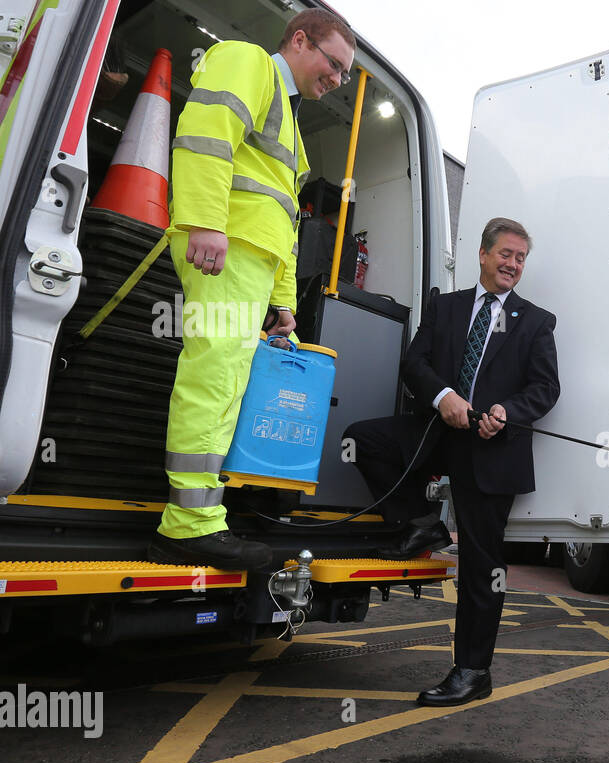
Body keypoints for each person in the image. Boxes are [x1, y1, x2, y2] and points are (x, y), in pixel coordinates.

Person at [147, 10, 356, 571]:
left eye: (344, 74)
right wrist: (204, 220)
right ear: (298, 39)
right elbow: (204, 138)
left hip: (251, 262)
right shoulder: (247, 62)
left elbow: (286, 225)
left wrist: (284, 302)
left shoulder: (292, 130)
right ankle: (188, 525)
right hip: (226, 248)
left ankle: (199, 516)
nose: (336, 80)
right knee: (213, 375)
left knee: (226, 383)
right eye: (333, 64)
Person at [346, 218, 561, 707]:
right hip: (436, 432)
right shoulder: (445, 308)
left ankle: (472, 671)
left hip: (491, 450)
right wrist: (443, 396)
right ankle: (420, 521)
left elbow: (545, 388)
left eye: (520, 258)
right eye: (505, 254)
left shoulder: (536, 321)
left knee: (482, 569)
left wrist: (507, 413)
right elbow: (413, 364)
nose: (512, 264)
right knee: (361, 441)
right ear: (483, 255)